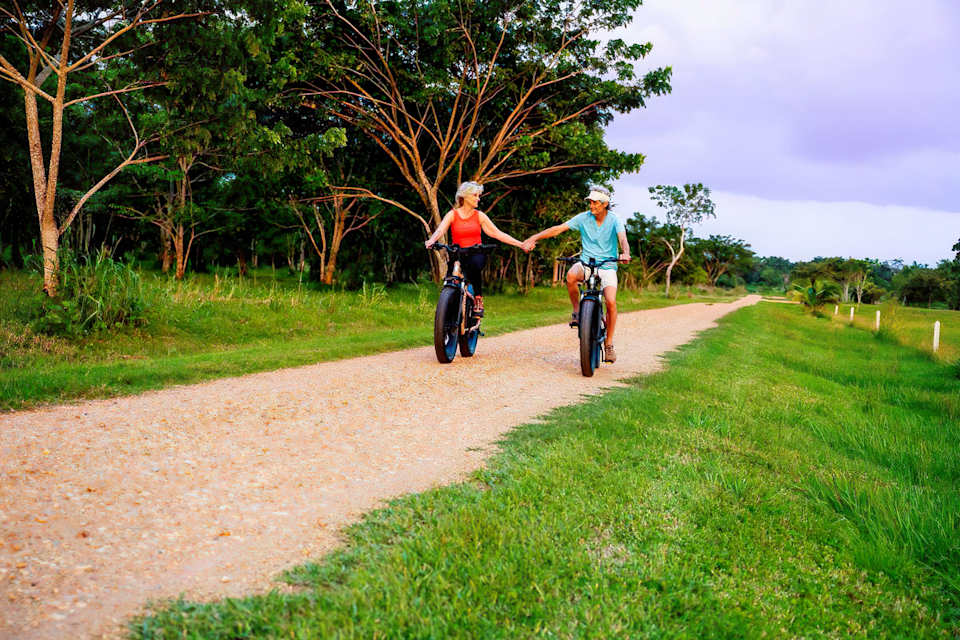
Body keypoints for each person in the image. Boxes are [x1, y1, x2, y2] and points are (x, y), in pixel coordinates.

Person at [522, 186, 630, 363]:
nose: (591, 205)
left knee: (610, 301)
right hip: (587, 262)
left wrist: (625, 253)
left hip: (608, 265)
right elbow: (558, 229)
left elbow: (623, 239)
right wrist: (534, 237)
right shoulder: (583, 218)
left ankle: (609, 344)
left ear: (605, 204)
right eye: (590, 202)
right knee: (571, 276)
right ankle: (577, 311)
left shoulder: (614, 219)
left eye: (595, 202)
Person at [424, 181, 525, 316]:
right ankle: (447, 306)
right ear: (464, 196)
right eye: (475, 195)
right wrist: (432, 240)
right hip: (458, 253)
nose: (478, 198)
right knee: (450, 276)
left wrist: (521, 244)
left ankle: (478, 298)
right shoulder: (452, 214)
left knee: (475, 266)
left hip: (475, 253)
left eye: (479, 195)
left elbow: (497, 233)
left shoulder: (480, 216)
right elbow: (440, 230)